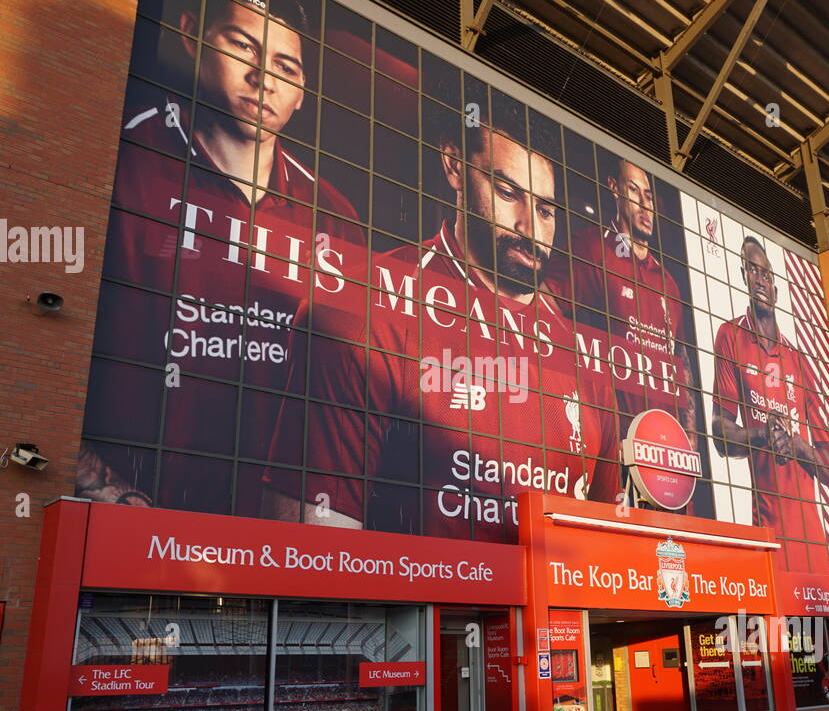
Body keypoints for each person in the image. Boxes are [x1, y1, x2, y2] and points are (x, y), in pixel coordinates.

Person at [262, 110, 621, 541]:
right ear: (453, 165)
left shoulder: (585, 363)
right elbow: (310, 555)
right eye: (508, 192)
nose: (530, 227)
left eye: (546, 210)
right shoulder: (362, 306)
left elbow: (600, 553)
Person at [77, 0, 365, 506]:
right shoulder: (120, 162)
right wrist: (104, 490)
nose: (264, 78)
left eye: (287, 68)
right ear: (192, 35)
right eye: (243, 47)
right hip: (132, 520)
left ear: (301, 95)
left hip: (270, 534)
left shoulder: (336, 219)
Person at [544, 157, 705, 513]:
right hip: (613, 461)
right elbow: (541, 309)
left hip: (668, 466)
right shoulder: (589, 250)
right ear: (614, 188)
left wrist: (689, 446)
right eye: (634, 190)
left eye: (649, 195)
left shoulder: (670, 284)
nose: (645, 204)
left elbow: (682, 368)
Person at [710, 237, 829, 572]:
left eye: (765, 273)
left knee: (823, 625)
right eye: (752, 270)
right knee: (778, 626)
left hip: (814, 547)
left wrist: (797, 445)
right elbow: (719, 434)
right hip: (768, 538)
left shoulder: (799, 361)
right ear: (742, 276)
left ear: (776, 290)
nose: (759, 278)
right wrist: (763, 435)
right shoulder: (730, 336)